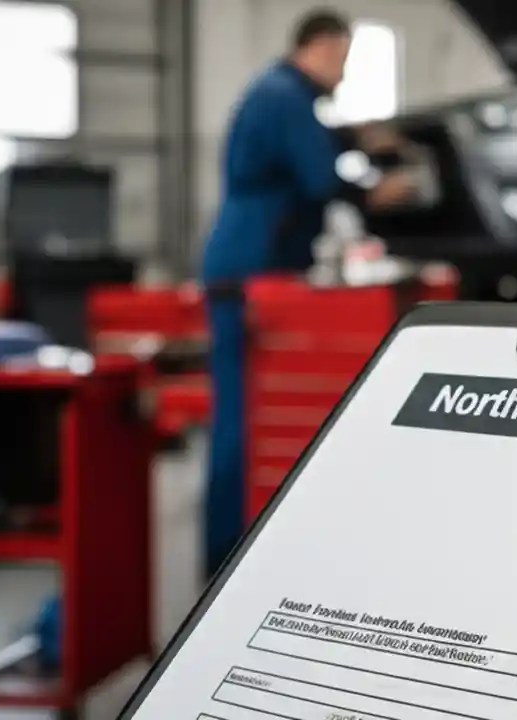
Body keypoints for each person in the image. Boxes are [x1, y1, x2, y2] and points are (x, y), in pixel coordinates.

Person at [200, 8, 413, 574]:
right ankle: (224, 559)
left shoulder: (283, 96)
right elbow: (321, 179)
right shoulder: (284, 97)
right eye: (340, 58)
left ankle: (231, 551)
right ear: (315, 47)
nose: (342, 72)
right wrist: (378, 192)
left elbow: (314, 151)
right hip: (247, 277)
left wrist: (354, 137)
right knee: (240, 422)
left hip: (253, 269)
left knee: (243, 416)